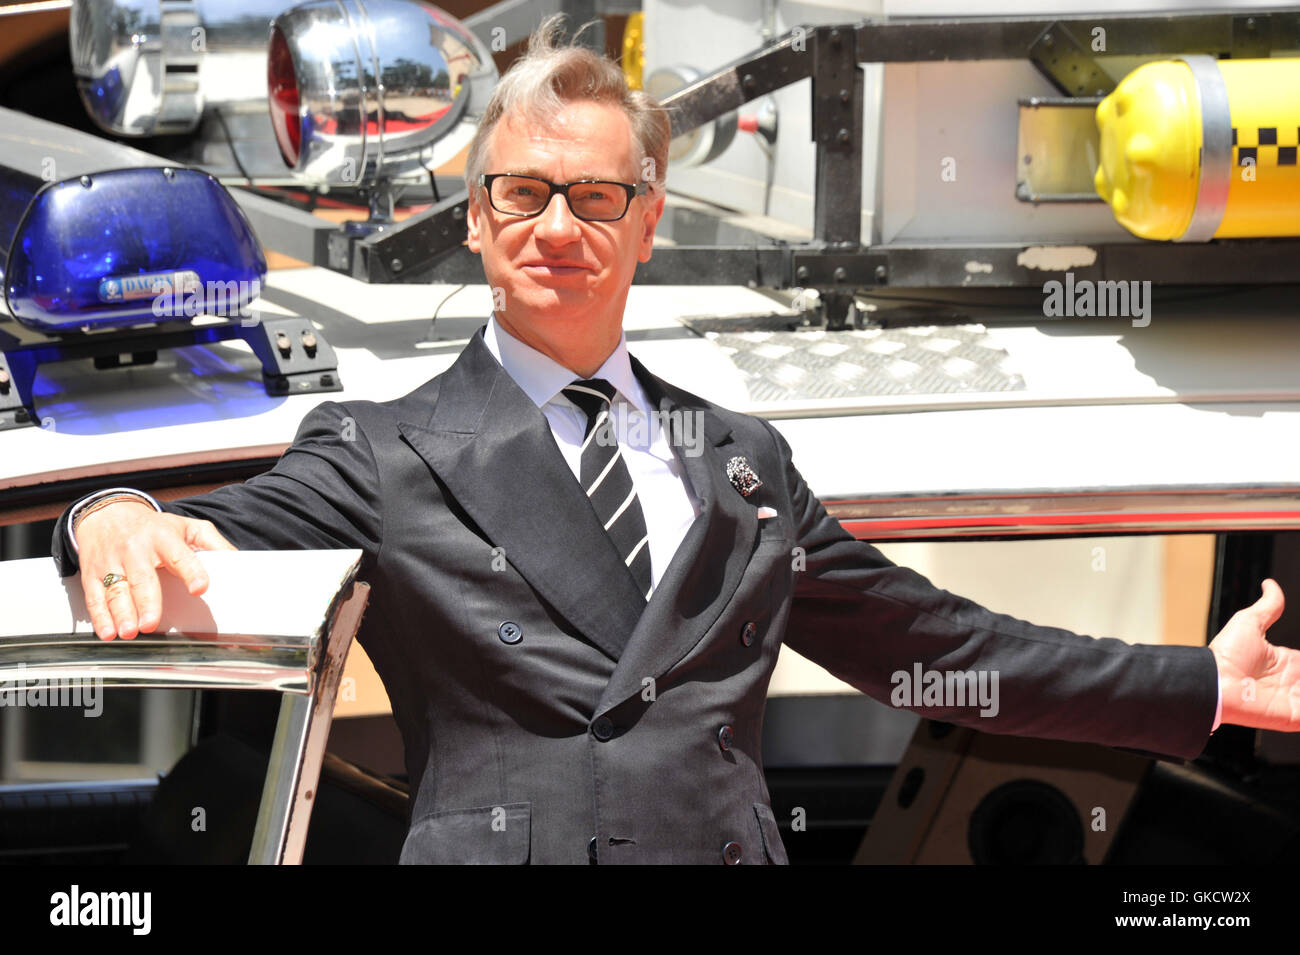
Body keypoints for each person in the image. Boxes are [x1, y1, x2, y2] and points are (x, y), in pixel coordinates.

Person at [51, 18, 1293, 864]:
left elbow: (934, 651)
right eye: (522, 193)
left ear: (645, 227)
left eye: (595, 197)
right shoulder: (384, 448)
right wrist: (108, 512)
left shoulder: (740, 460)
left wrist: (1196, 684)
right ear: (478, 224)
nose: (556, 225)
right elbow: (207, 534)